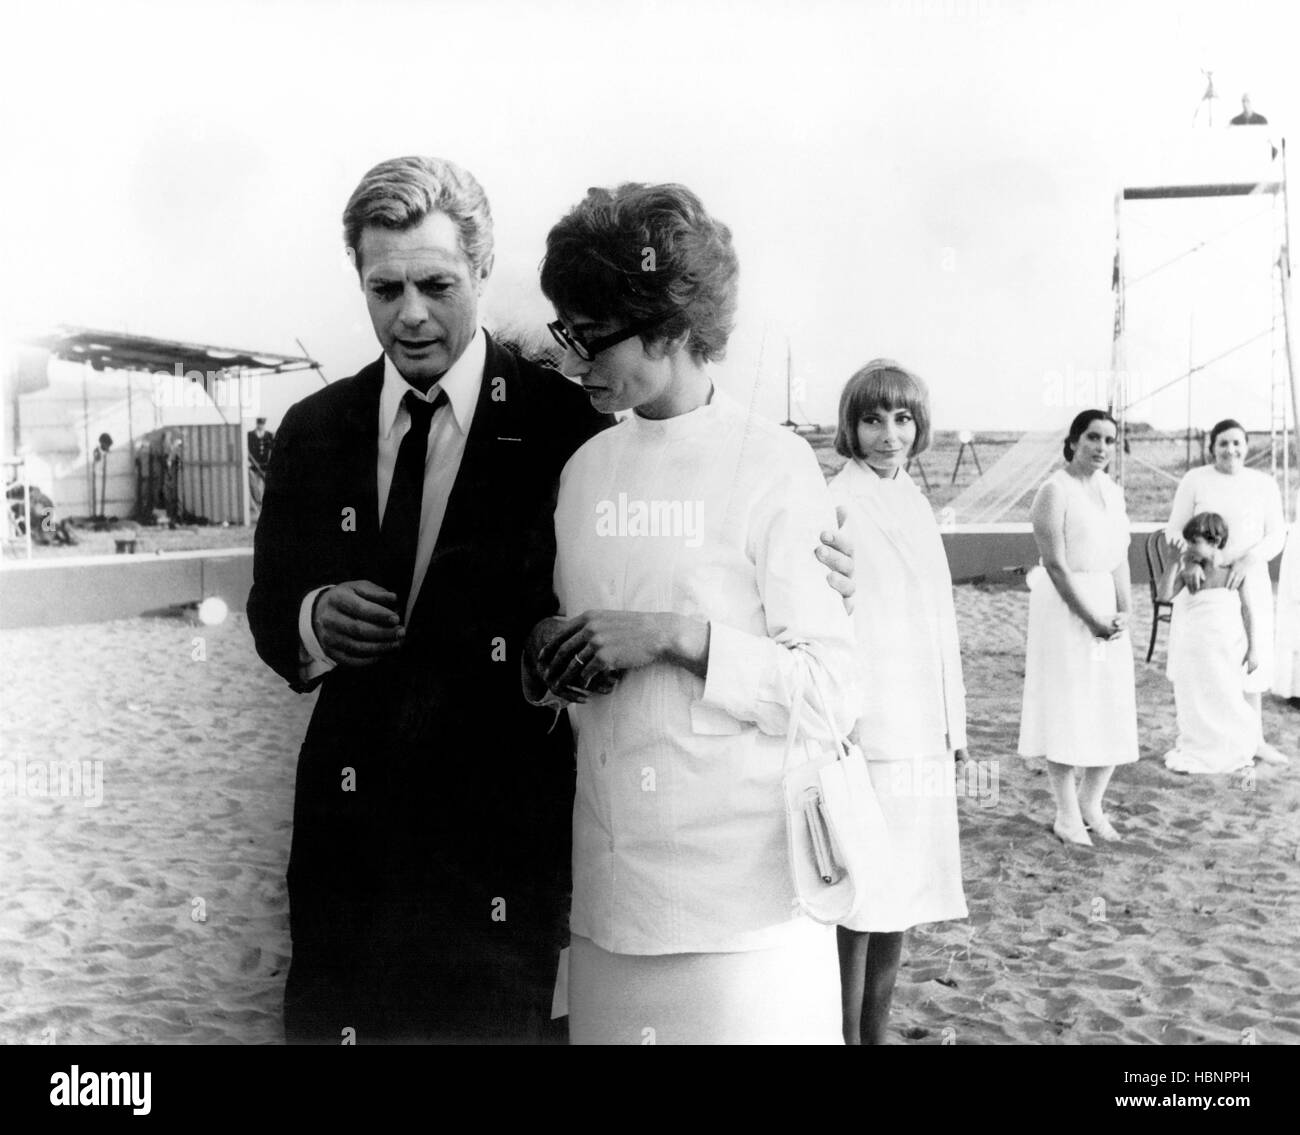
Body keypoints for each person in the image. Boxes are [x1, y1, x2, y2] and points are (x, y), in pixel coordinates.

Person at [247, 157, 856, 1044]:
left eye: (435, 283)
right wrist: (309, 620)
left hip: (518, 862)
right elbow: (274, 610)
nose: (409, 311)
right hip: (357, 847)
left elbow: (776, 631)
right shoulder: (314, 431)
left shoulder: (569, 430)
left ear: (481, 275)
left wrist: (828, 573)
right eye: (385, 287)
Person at [524, 182, 855, 1044]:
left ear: (673, 328)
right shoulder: (585, 472)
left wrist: (678, 638)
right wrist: (545, 665)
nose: (576, 362)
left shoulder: (775, 466)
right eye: (568, 335)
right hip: (609, 893)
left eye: (593, 339)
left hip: (738, 914)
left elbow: (831, 692)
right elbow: (581, 678)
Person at [828, 359, 968, 1046]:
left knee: (904, 894)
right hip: (869, 724)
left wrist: (956, 722)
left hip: (923, 725)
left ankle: (877, 1031)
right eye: (874, 418)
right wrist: (841, 718)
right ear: (852, 425)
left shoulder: (914, 500)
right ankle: (846, 1034)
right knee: (861, 893)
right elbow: (829, 617)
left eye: (903, 418)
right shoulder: (837, 499)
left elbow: (941, 617)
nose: (889, 434)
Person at [1018, 410, 1138, 846]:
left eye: (1110, 439)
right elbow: (1054, 564)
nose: (1102, 447)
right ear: (1073, 441)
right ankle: (1067, 814)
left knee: (1110, 706)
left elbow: (1120, 556)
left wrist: (1125, 611)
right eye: (1093, 437)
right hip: (1067, 608)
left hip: (1107, 606)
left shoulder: (1112, 491)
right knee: (1069, 708)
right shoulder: (1054, 491)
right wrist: (1091, 619)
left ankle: (1092, 804)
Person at [1165, 419, 1288, 764]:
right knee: (1207, 661)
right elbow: (1174, 528)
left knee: (1249, 658)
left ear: (1247, 446)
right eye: (1223, 444)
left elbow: (1276, 534)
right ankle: (1204, 738)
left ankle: (1255, 740)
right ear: (1211, 447)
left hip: (1248, 578)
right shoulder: (1195, 479)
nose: (1230, 450)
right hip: (1202, 583)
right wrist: (1189, 562)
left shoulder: (1264, 483)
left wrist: (1248, 560)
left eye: (1237, 443)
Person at [1159, 512, 1260, 774]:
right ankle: (1200, 744)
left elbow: (1247, 611)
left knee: (1225, 694)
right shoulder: (1189, 574)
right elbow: (1163, 596)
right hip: (1194, 648)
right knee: (1194, 698)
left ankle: (1229, 745)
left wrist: (1253, 648)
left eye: (1196, 542)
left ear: (1215, 542)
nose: (1190, 548)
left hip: (1224, 647)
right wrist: (1172, 564)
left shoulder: (1233, 574)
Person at [247, 417, 274, 510]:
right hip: (254, 465)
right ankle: (258, 503)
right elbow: (247, 450)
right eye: (259, 424)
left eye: (262, 424)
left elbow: (272, 449)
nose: (261, 426)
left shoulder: (269, 435)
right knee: (255, 486)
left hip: (266, 466)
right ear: (257, 424)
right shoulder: (250, 435)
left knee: (267, 485)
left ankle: (267, 503)